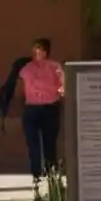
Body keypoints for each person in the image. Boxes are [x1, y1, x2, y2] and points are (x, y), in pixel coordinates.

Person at [17, 38, 63, 180]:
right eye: (35, 48)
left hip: (50, 108)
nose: (36, 51)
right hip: (32, 109)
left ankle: (51, 174)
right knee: (33, 143)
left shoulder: (55, 67)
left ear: (46, 52)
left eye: (40, 49)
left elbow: (62, 87)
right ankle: (36, 174)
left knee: (50, 142)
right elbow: (21, 89)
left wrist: (58, 92)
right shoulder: (26, 69)